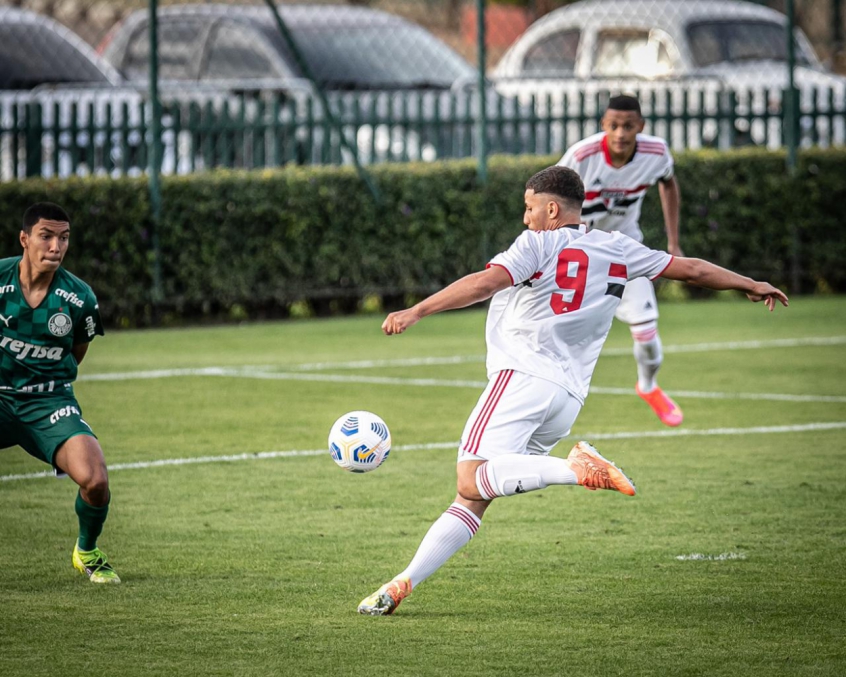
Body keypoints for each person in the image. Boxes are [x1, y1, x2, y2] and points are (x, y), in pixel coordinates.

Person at [358, 166, 787, 616]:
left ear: (551, 209)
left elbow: (485, 283)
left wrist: (417, 310)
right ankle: (401, 584)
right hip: (568, 397)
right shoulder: (618, 247)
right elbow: (692, 269)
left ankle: (573, 467)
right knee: (474, 496)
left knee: (470, 476)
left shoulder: (537, 244)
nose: (525, 219)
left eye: (529, 208)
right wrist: (749, 283)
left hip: (522, 375)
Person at [0, 203, 119, 584]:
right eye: (46, 236)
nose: (56, 247)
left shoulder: (79, 298)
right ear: (24, 239)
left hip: (48, 401)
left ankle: (87, 551)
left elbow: (76, 353)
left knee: (95, 480)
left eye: (64, 238)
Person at [557, 94, 684, 427]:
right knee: (560, 331)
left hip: (623, 250)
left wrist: (673, 242)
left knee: (648, 335)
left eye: (628, 126)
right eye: (613, 125)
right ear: (603, 125)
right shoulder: (581, 155)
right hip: (580, 251)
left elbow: (669, 184)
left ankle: (648, 387)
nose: (621, 133)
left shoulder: (656, 153)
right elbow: (550, 196)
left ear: (640, 126)